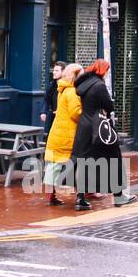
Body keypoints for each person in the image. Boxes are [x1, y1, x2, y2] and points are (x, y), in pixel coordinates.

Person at [72, 59, 137, 210]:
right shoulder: (99, 85)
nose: (108, 73)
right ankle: (119, 196)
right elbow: (109, 105)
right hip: (99, 127)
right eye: (107, 70)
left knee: (83, 162)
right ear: (102, 70)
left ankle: (80, 199)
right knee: (113, 158)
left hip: (84, 127)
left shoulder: (83, 84)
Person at [43, 63, 82, 206]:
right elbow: (75, 113)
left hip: (58, 131)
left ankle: (50, 196)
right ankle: (83, 193)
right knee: (74, 163)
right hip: (67, 133)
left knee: (54, 165)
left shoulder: (62, 89)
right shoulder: (72, 92)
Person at [40, 61, 66, 134]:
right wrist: (43, 112)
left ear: (63, 72)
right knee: (48, 137)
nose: (54, 72)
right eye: (54, 70)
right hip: (52, 116)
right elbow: (46, 99)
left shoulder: (68, 86)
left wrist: (61, 112)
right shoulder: (52, 85)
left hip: (62, 119)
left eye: (57, 71)